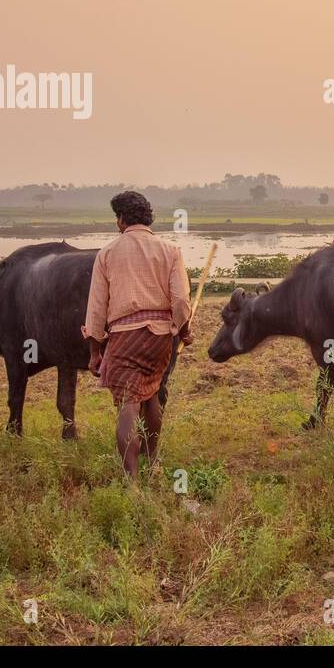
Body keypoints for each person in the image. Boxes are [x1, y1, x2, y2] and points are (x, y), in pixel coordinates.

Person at [83, 191, 193, 478]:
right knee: (152, 395)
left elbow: (96, 308)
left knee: (128, 405)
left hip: (124, 337)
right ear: (148, 218)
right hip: (159, 338)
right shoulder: (170, 251)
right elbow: (181, 301)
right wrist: (184, 331)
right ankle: (152, 461)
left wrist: (95, 352)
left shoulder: (106, 254)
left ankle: (131, 482)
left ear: (121, 220)